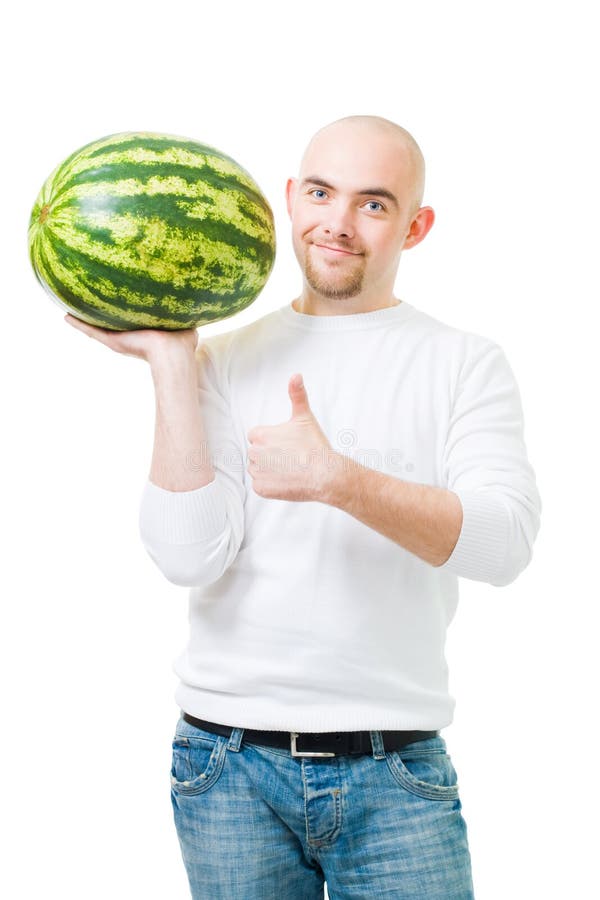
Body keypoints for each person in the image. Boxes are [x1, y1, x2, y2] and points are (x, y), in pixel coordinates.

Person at [65, 115, 542, 899]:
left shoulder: (464, 363)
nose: (339, 224)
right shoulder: (223, 357)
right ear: (290, 199)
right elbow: (186, 557)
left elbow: (506, 545)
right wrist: (171, 361)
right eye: (321, 193)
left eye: (374, 204)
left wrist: (337, 479)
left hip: (397, 773)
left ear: (415, 227)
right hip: (226, 770)